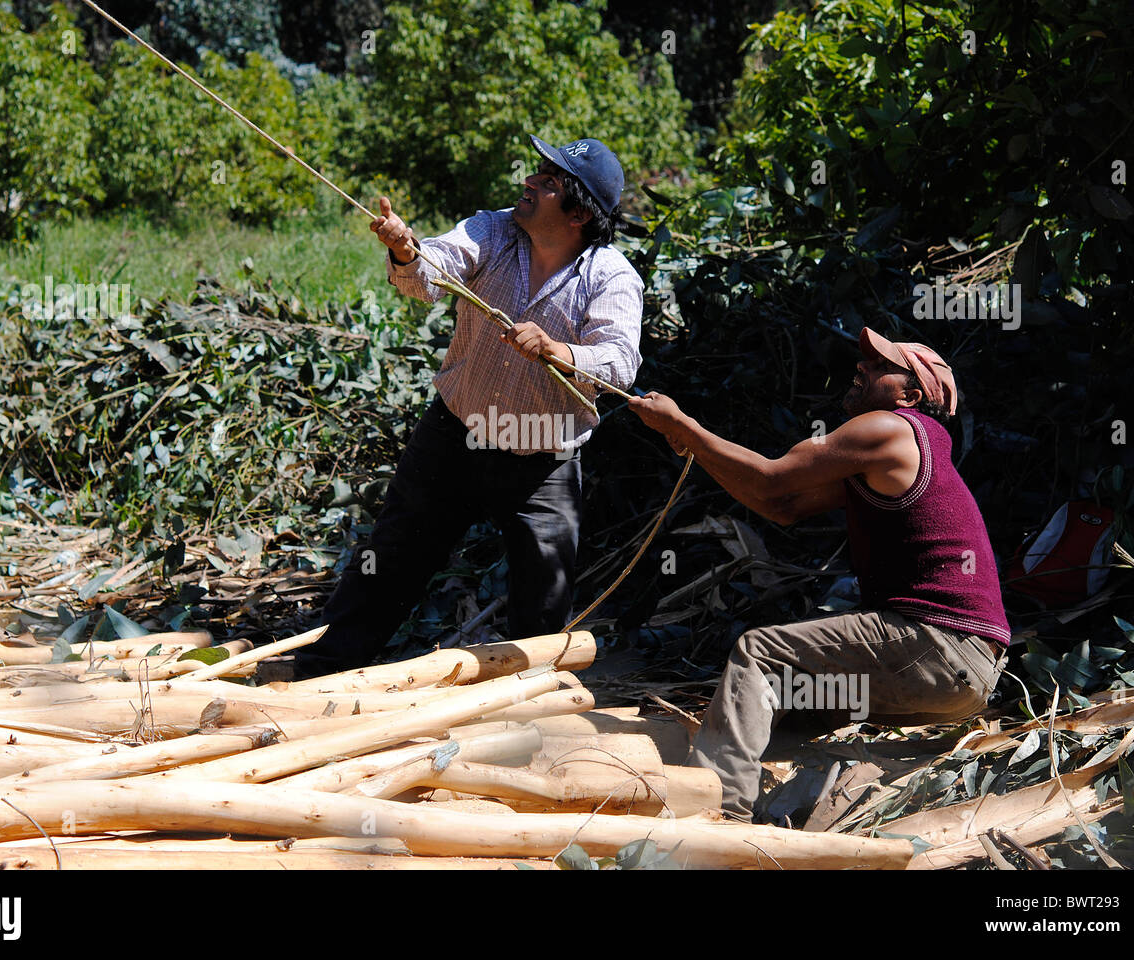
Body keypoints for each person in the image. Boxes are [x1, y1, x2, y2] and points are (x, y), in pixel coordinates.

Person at [293, 136, 643, 678]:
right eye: (537, 172)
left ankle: (526, 712)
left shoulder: (611, 277)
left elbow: (620, 365)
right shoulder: (495, 228)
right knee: (389, 562)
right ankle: (317, 677)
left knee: (543, 601)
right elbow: (432, 272)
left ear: (578, 213)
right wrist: (407, 250)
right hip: (454, 435)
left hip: (543, 461)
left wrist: (560, 351)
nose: (528, 182)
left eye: (548, 182)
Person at [628, 327, 1010, 820]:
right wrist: (693, 443)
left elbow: (770, 478)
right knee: (782, 696)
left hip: (936, 644)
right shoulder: (906, 449)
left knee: (761, 653)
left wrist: (682, 426)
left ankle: (716, 812)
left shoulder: (891, 428)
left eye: (880, 367)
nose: (864, 367)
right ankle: (771, 802)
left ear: (910, 395)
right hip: (961, 673)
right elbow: (781, 505)